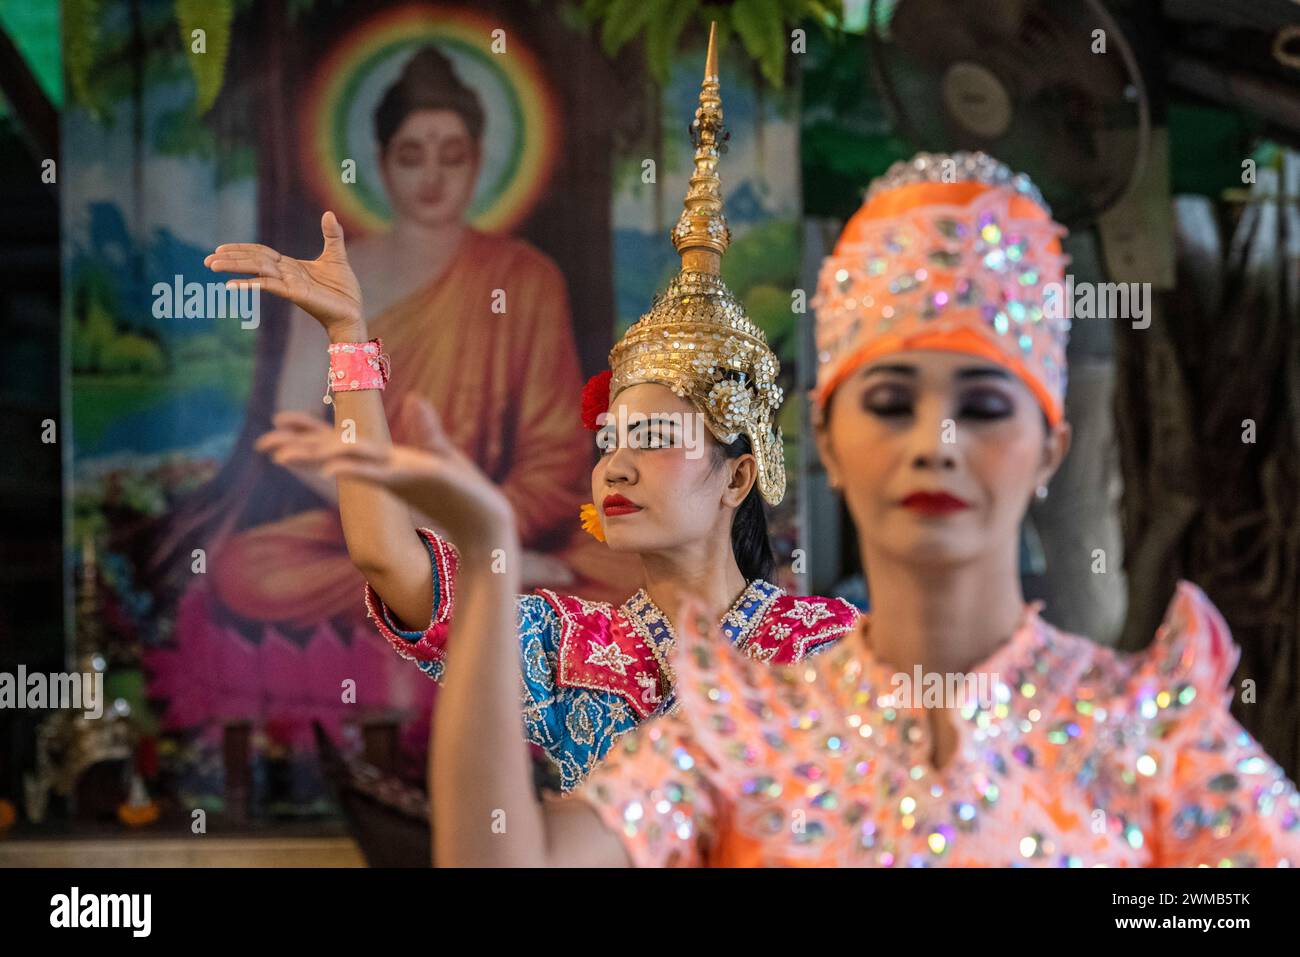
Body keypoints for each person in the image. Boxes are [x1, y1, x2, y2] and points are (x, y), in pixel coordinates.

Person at [334, 148, 1299, 867]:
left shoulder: (1142, 730)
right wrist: (355, 348)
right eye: (888, 402)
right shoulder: (737, 731)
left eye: (985, 403)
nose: (936, 441)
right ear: (834, 444)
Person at [212, 24, 857, 796]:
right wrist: (350, 336)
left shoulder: (835, 645)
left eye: (650, 437)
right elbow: (388, 557)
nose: (612, 463)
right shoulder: (565, 642)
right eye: (609, 439)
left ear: (738, 475)